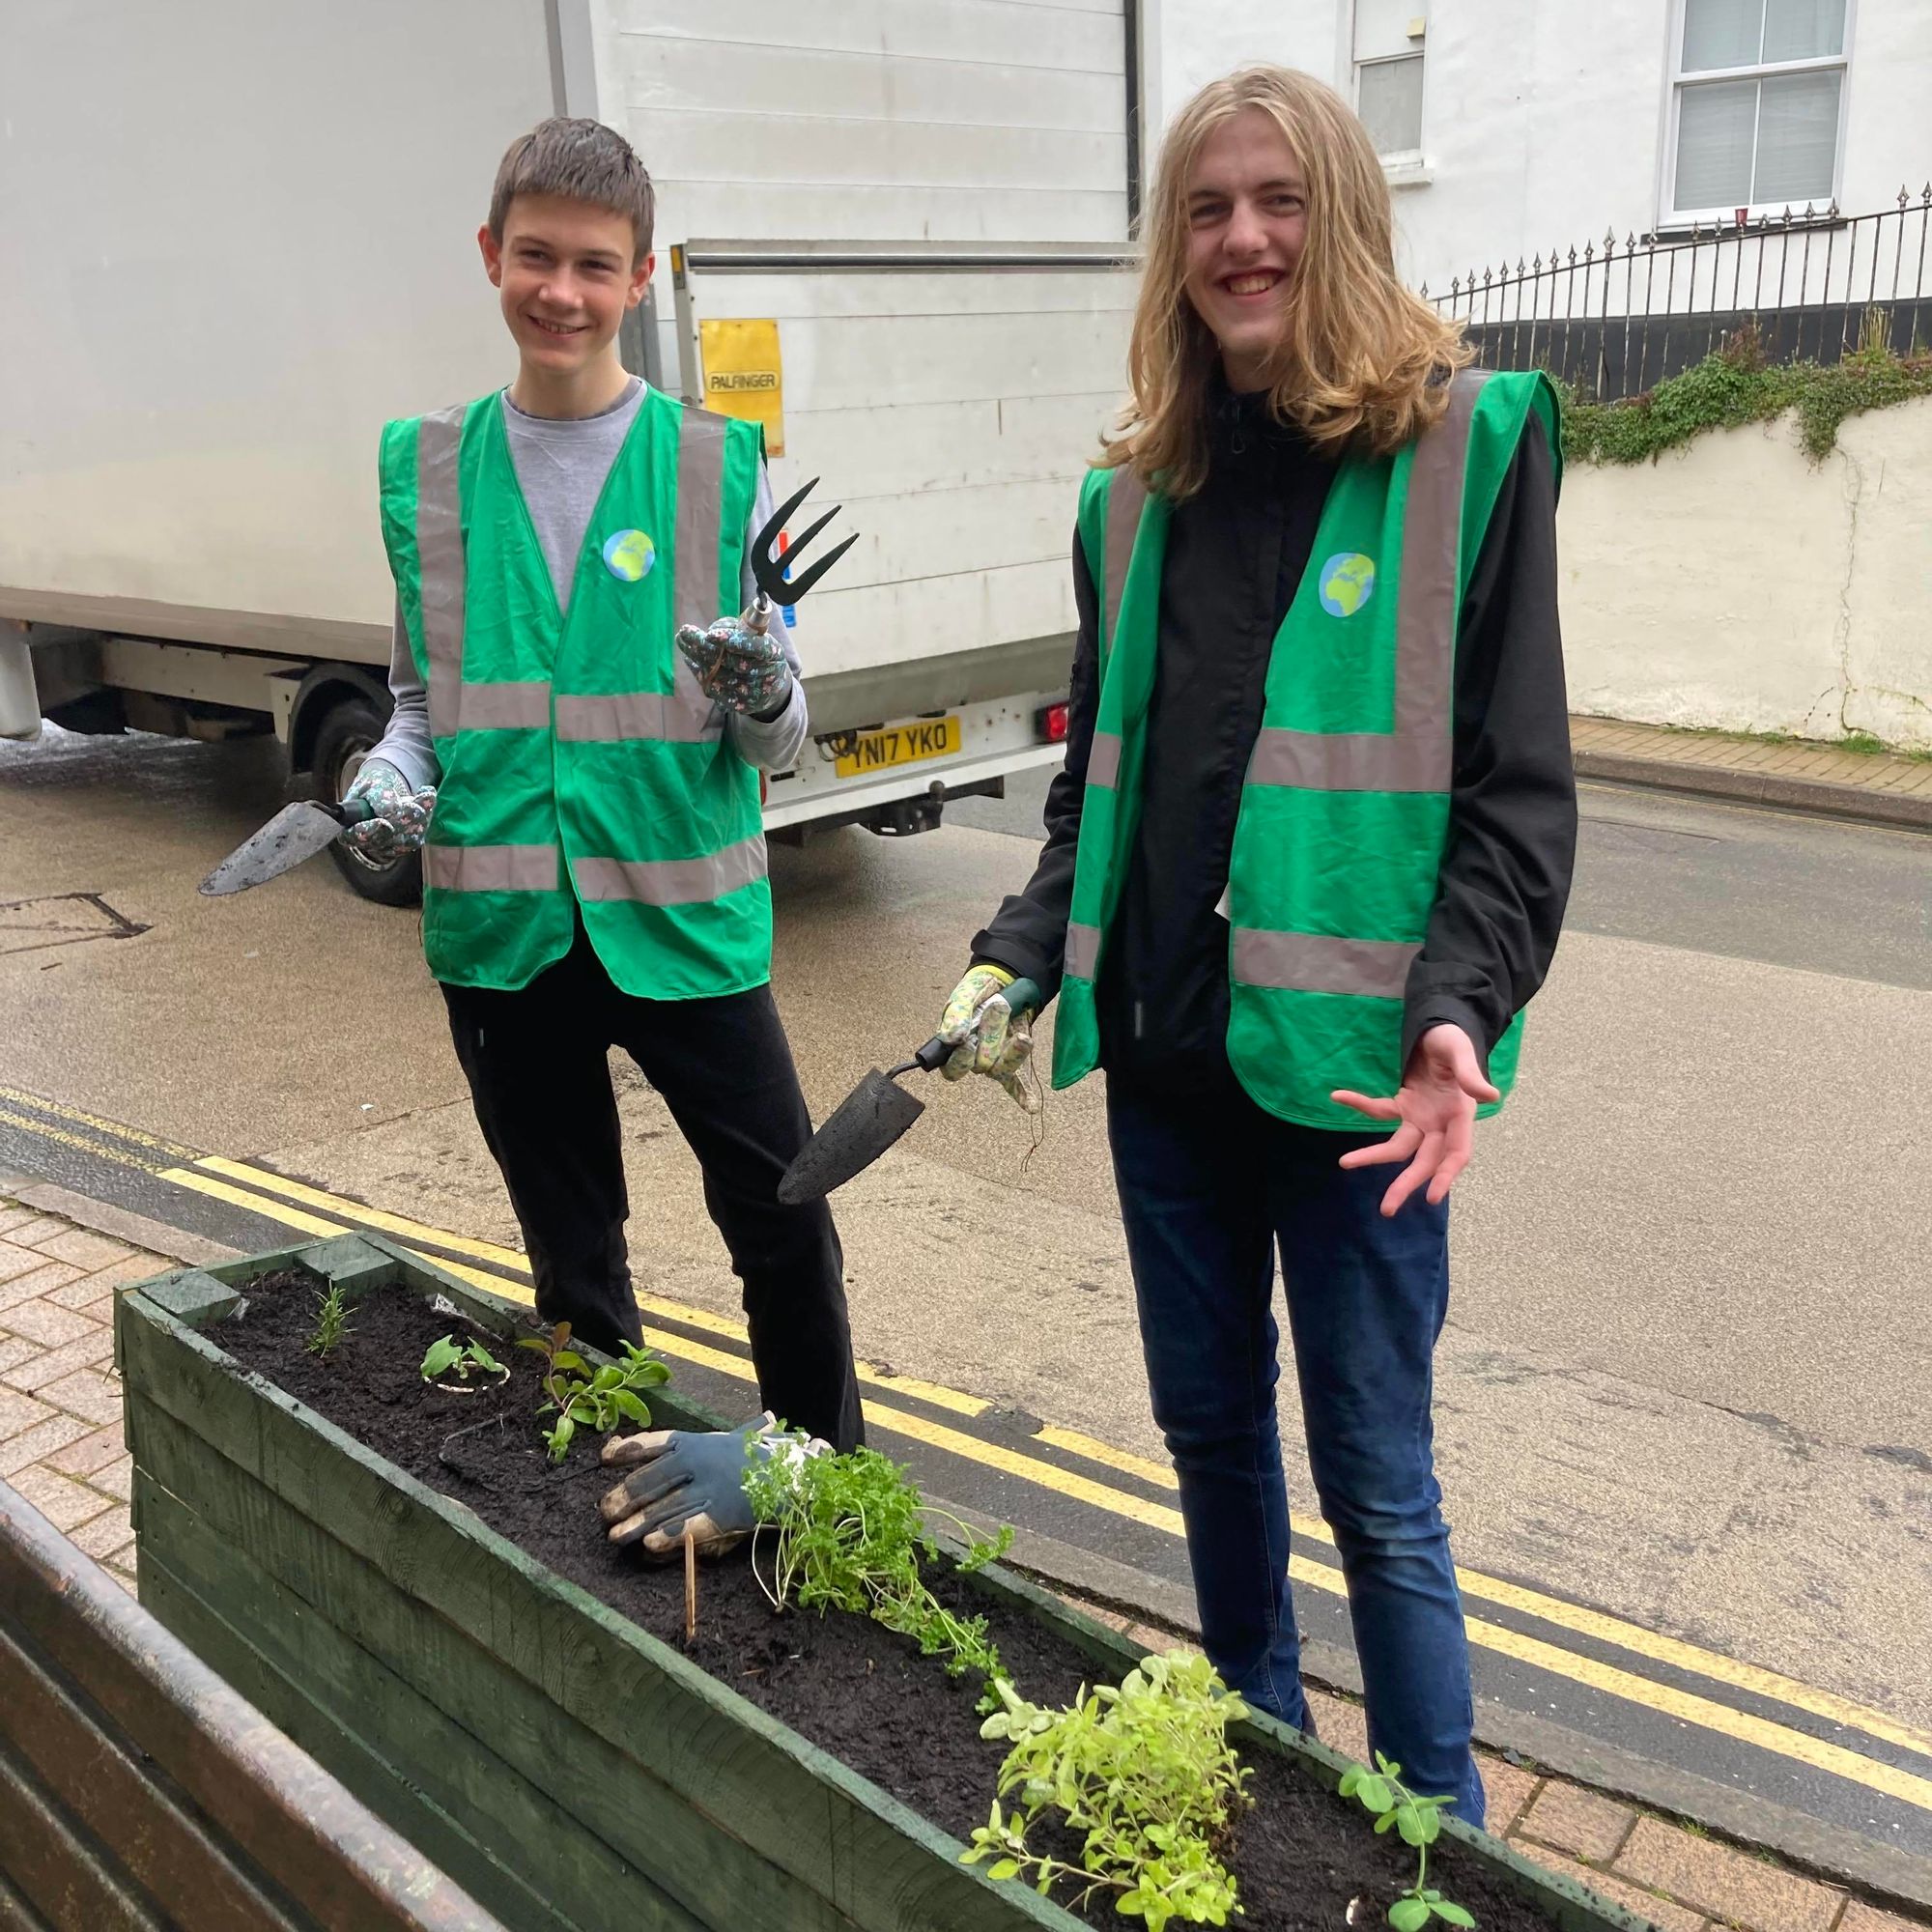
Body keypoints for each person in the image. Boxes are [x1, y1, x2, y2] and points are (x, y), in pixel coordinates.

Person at [934, 66, 1576, 1821]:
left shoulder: (1467, 448)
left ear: (1343, 216)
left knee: (1377, 1483)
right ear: (1174, 249)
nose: (1242, 237)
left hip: (1362, 1082)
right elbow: (1102, 791)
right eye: (1208, 208)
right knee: (1210, 1444)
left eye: (1277, 200)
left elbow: (1518, 794)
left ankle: (1438, 1838)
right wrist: (1020, 949)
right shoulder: (1130, 494)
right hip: (1167, 1065)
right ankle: (1256, 1771)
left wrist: (1464, 1005)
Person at [351, 117, 863, 1467]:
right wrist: (381, 782)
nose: (560, 292)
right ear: (491, 256)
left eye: (593, 265)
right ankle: (608, 1487)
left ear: (642, 278)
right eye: (535, 257)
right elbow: (420, 708)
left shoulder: (714, 465)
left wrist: (760, 691)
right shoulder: (428, 468)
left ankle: (818, 1482)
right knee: (571, 1257)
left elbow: (781, 745)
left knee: (783, 1221)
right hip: (506, 933)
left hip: (682, 926)